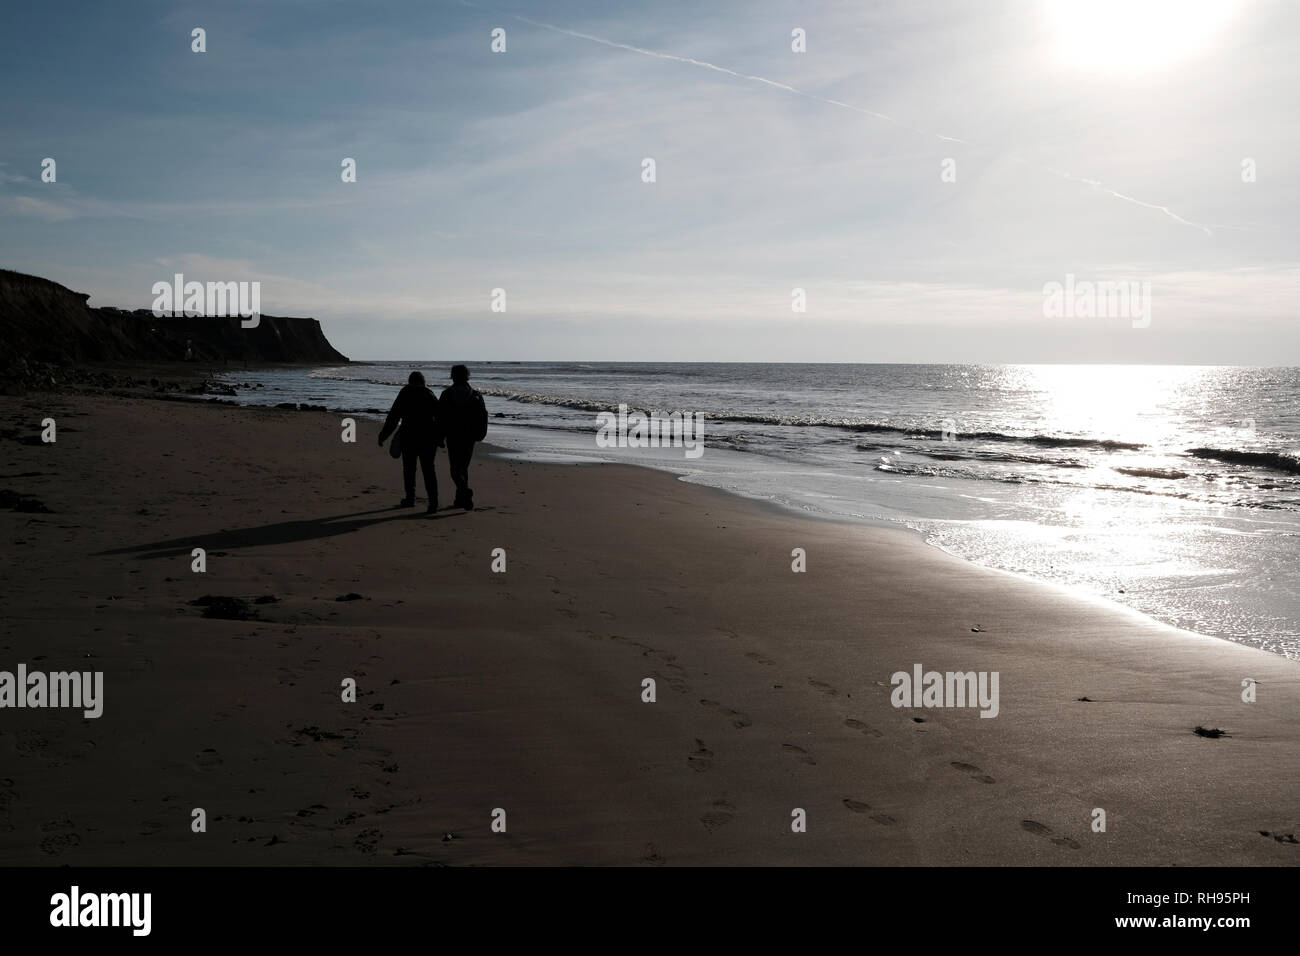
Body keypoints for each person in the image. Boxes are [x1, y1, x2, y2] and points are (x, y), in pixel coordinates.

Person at [378, 371, 441, 513]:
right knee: (429, 470)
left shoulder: (405, 392)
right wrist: (440, 438)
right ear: (423, 381)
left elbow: (393, 417)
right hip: (428, 438)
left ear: (410, 380)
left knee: (409, 469)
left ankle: (410, 498)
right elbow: (440, 418)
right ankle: (433, 502)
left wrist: (383, 435)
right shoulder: (429, 394)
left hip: (409, 436)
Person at [438, 364, 488, 510]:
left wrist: (439, 436)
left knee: (455, 469)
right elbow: (483, 417)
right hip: (469, 436)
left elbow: (441, 417)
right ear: (467, 375)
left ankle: (464, 494)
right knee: (463, 468)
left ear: (452, 376)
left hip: (453, 435)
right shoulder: (476, 395)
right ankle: (461, 499)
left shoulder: (447, 394)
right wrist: (481, 434)